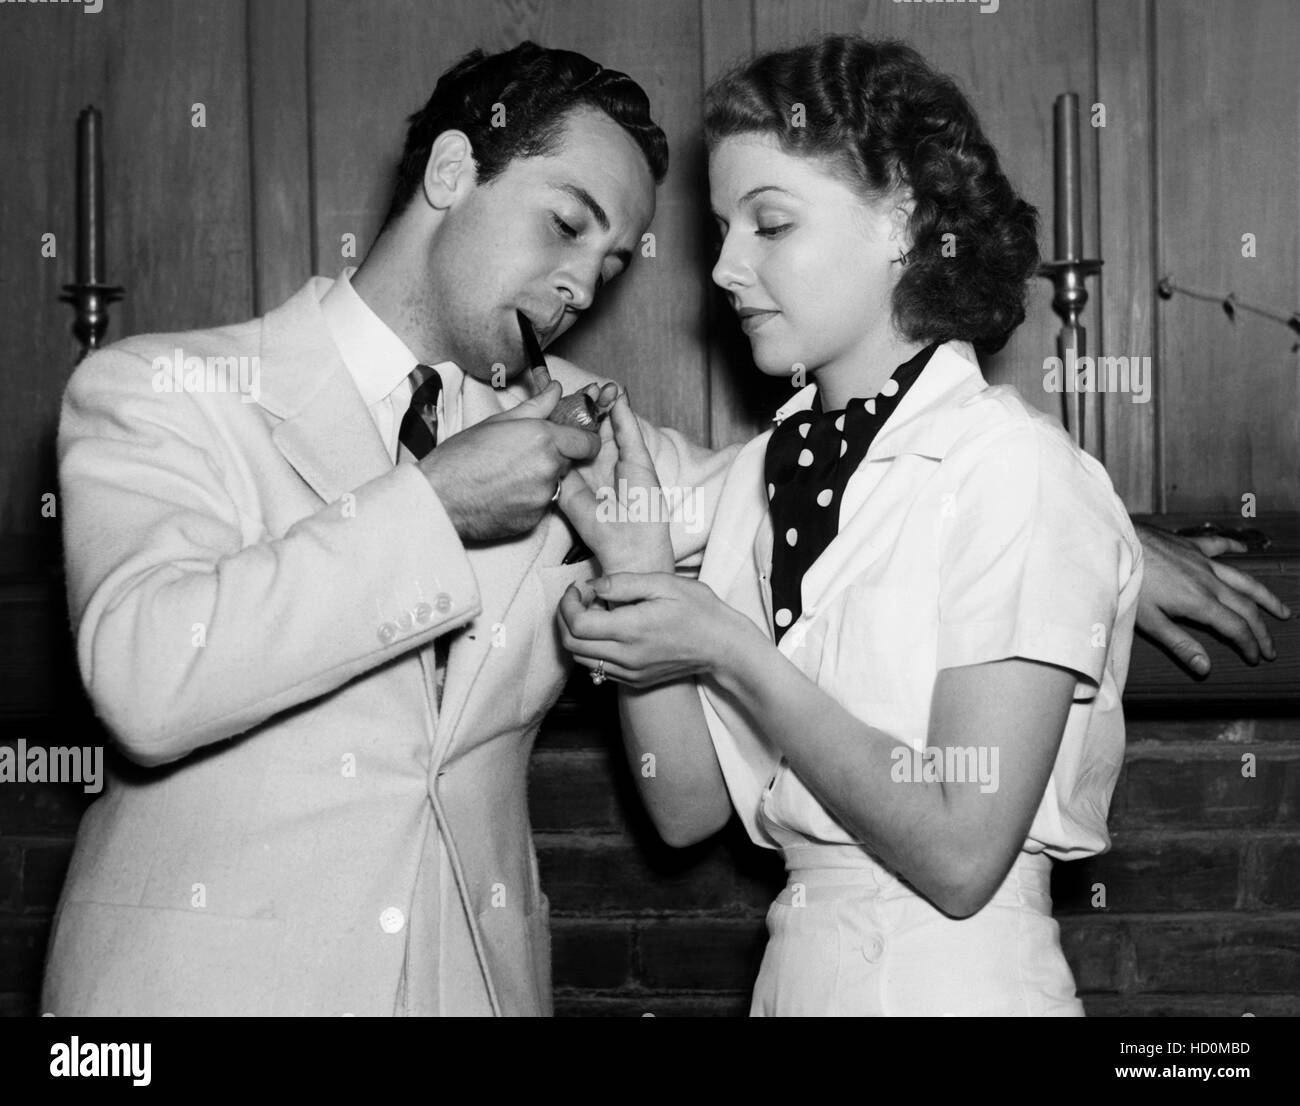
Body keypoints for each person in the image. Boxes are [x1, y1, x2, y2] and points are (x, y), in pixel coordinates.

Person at [44, 36, 1285, 1018]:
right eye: (567, 223)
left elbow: (888, 470)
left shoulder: (582, 449)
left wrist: (1121, 537)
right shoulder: (163, 393)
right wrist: (433, 506)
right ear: (448, 175)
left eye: (620, 255)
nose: (590, 283)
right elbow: (152, 675)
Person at [555, 35, 1289, 1016]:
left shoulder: (1014, 469)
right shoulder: (761, 478)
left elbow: (957, 851)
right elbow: (684, 807)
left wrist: (730, 650)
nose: (725, 268)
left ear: (899, 221)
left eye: (769, 224)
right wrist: (640, 585)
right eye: (723, 228)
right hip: (794, 976)